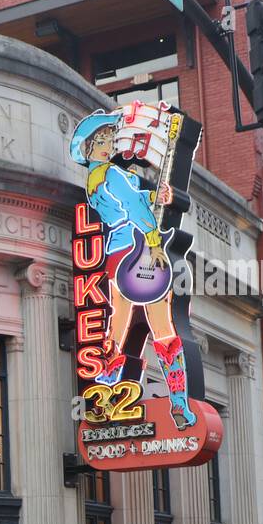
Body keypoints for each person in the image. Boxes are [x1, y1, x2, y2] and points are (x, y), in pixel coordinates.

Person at [69, 108, 195, 430]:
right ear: (92, 144)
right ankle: (179, 402)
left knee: (118, 326)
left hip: (115, 253)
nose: (112, 140)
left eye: (112, 134)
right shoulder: (111, 173)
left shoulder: (95, 179)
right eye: (106, 136)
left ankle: (109, 395)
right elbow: (137, 208)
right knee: (163, 328)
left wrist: (158, 195)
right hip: (139, 248)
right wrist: (154, 242)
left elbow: (136, 197)